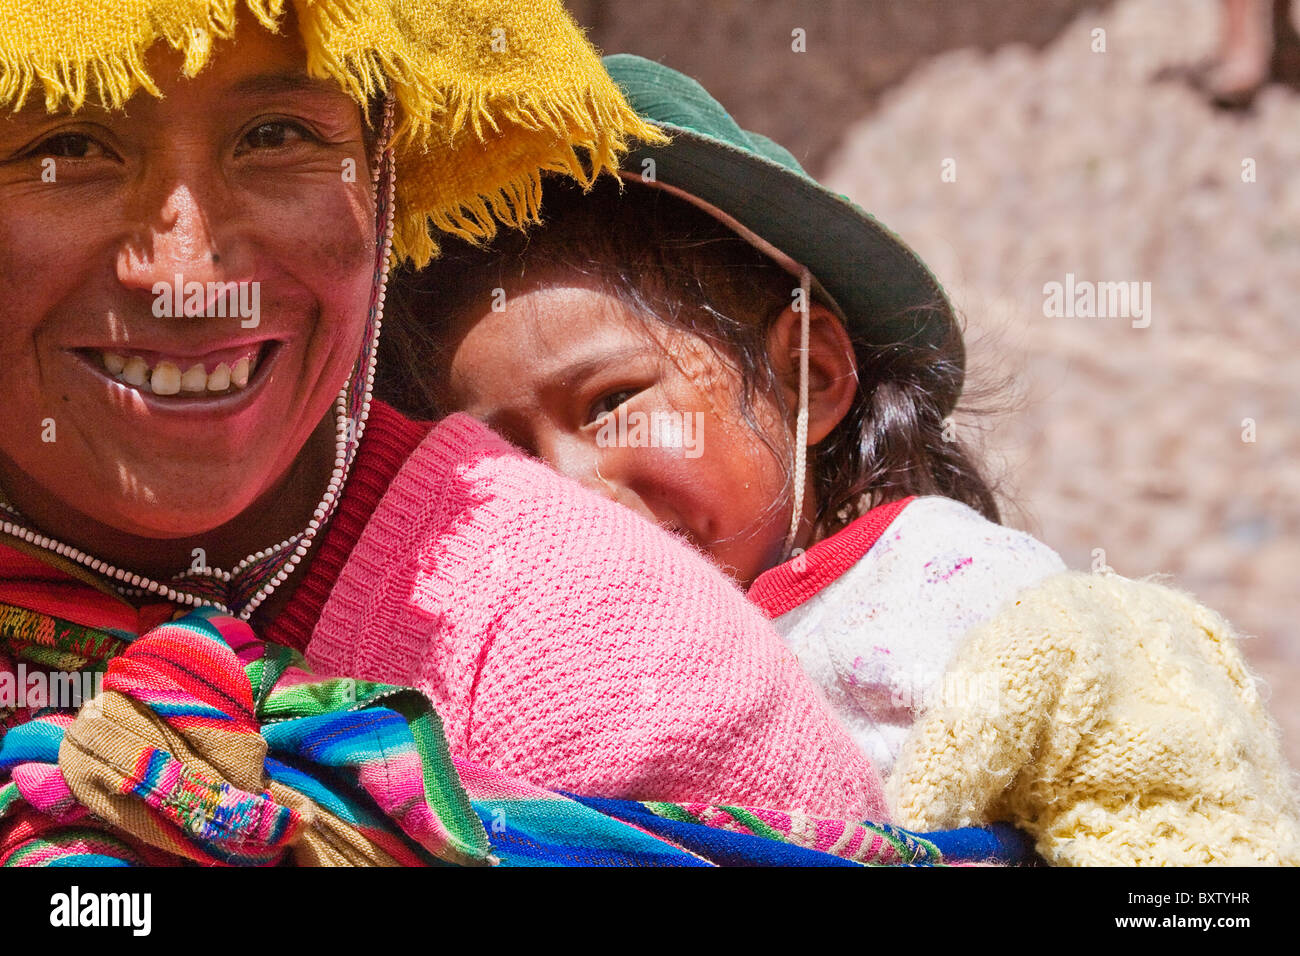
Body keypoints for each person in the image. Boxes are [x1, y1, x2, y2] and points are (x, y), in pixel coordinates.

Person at [0, 2, 891, 867]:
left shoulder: (604, 652)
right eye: (65, 147)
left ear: (383, 176)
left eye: (277, 136)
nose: (190, 279)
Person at [383, 54, 1300, 865]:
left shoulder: (986, 618)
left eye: (614, 403)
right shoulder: (534, 676)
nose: (568, 493)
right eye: (501, 456)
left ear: (809, 377)